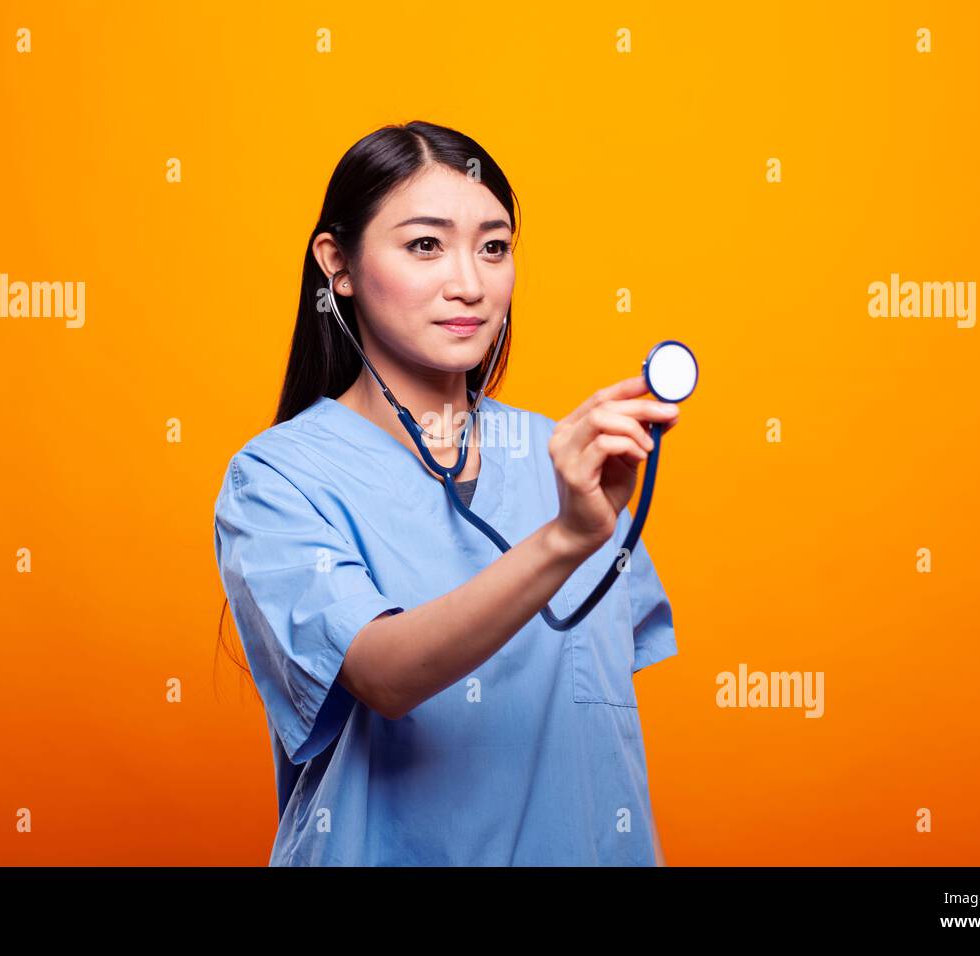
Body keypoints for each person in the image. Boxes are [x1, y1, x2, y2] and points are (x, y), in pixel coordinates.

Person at [213, 120, 680, 866]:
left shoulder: (563, 458)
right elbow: (384, 677)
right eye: (425, 245)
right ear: (338, 265)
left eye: (493, 248)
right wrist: (564, 540)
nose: (469, 282)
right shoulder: (277, 479)